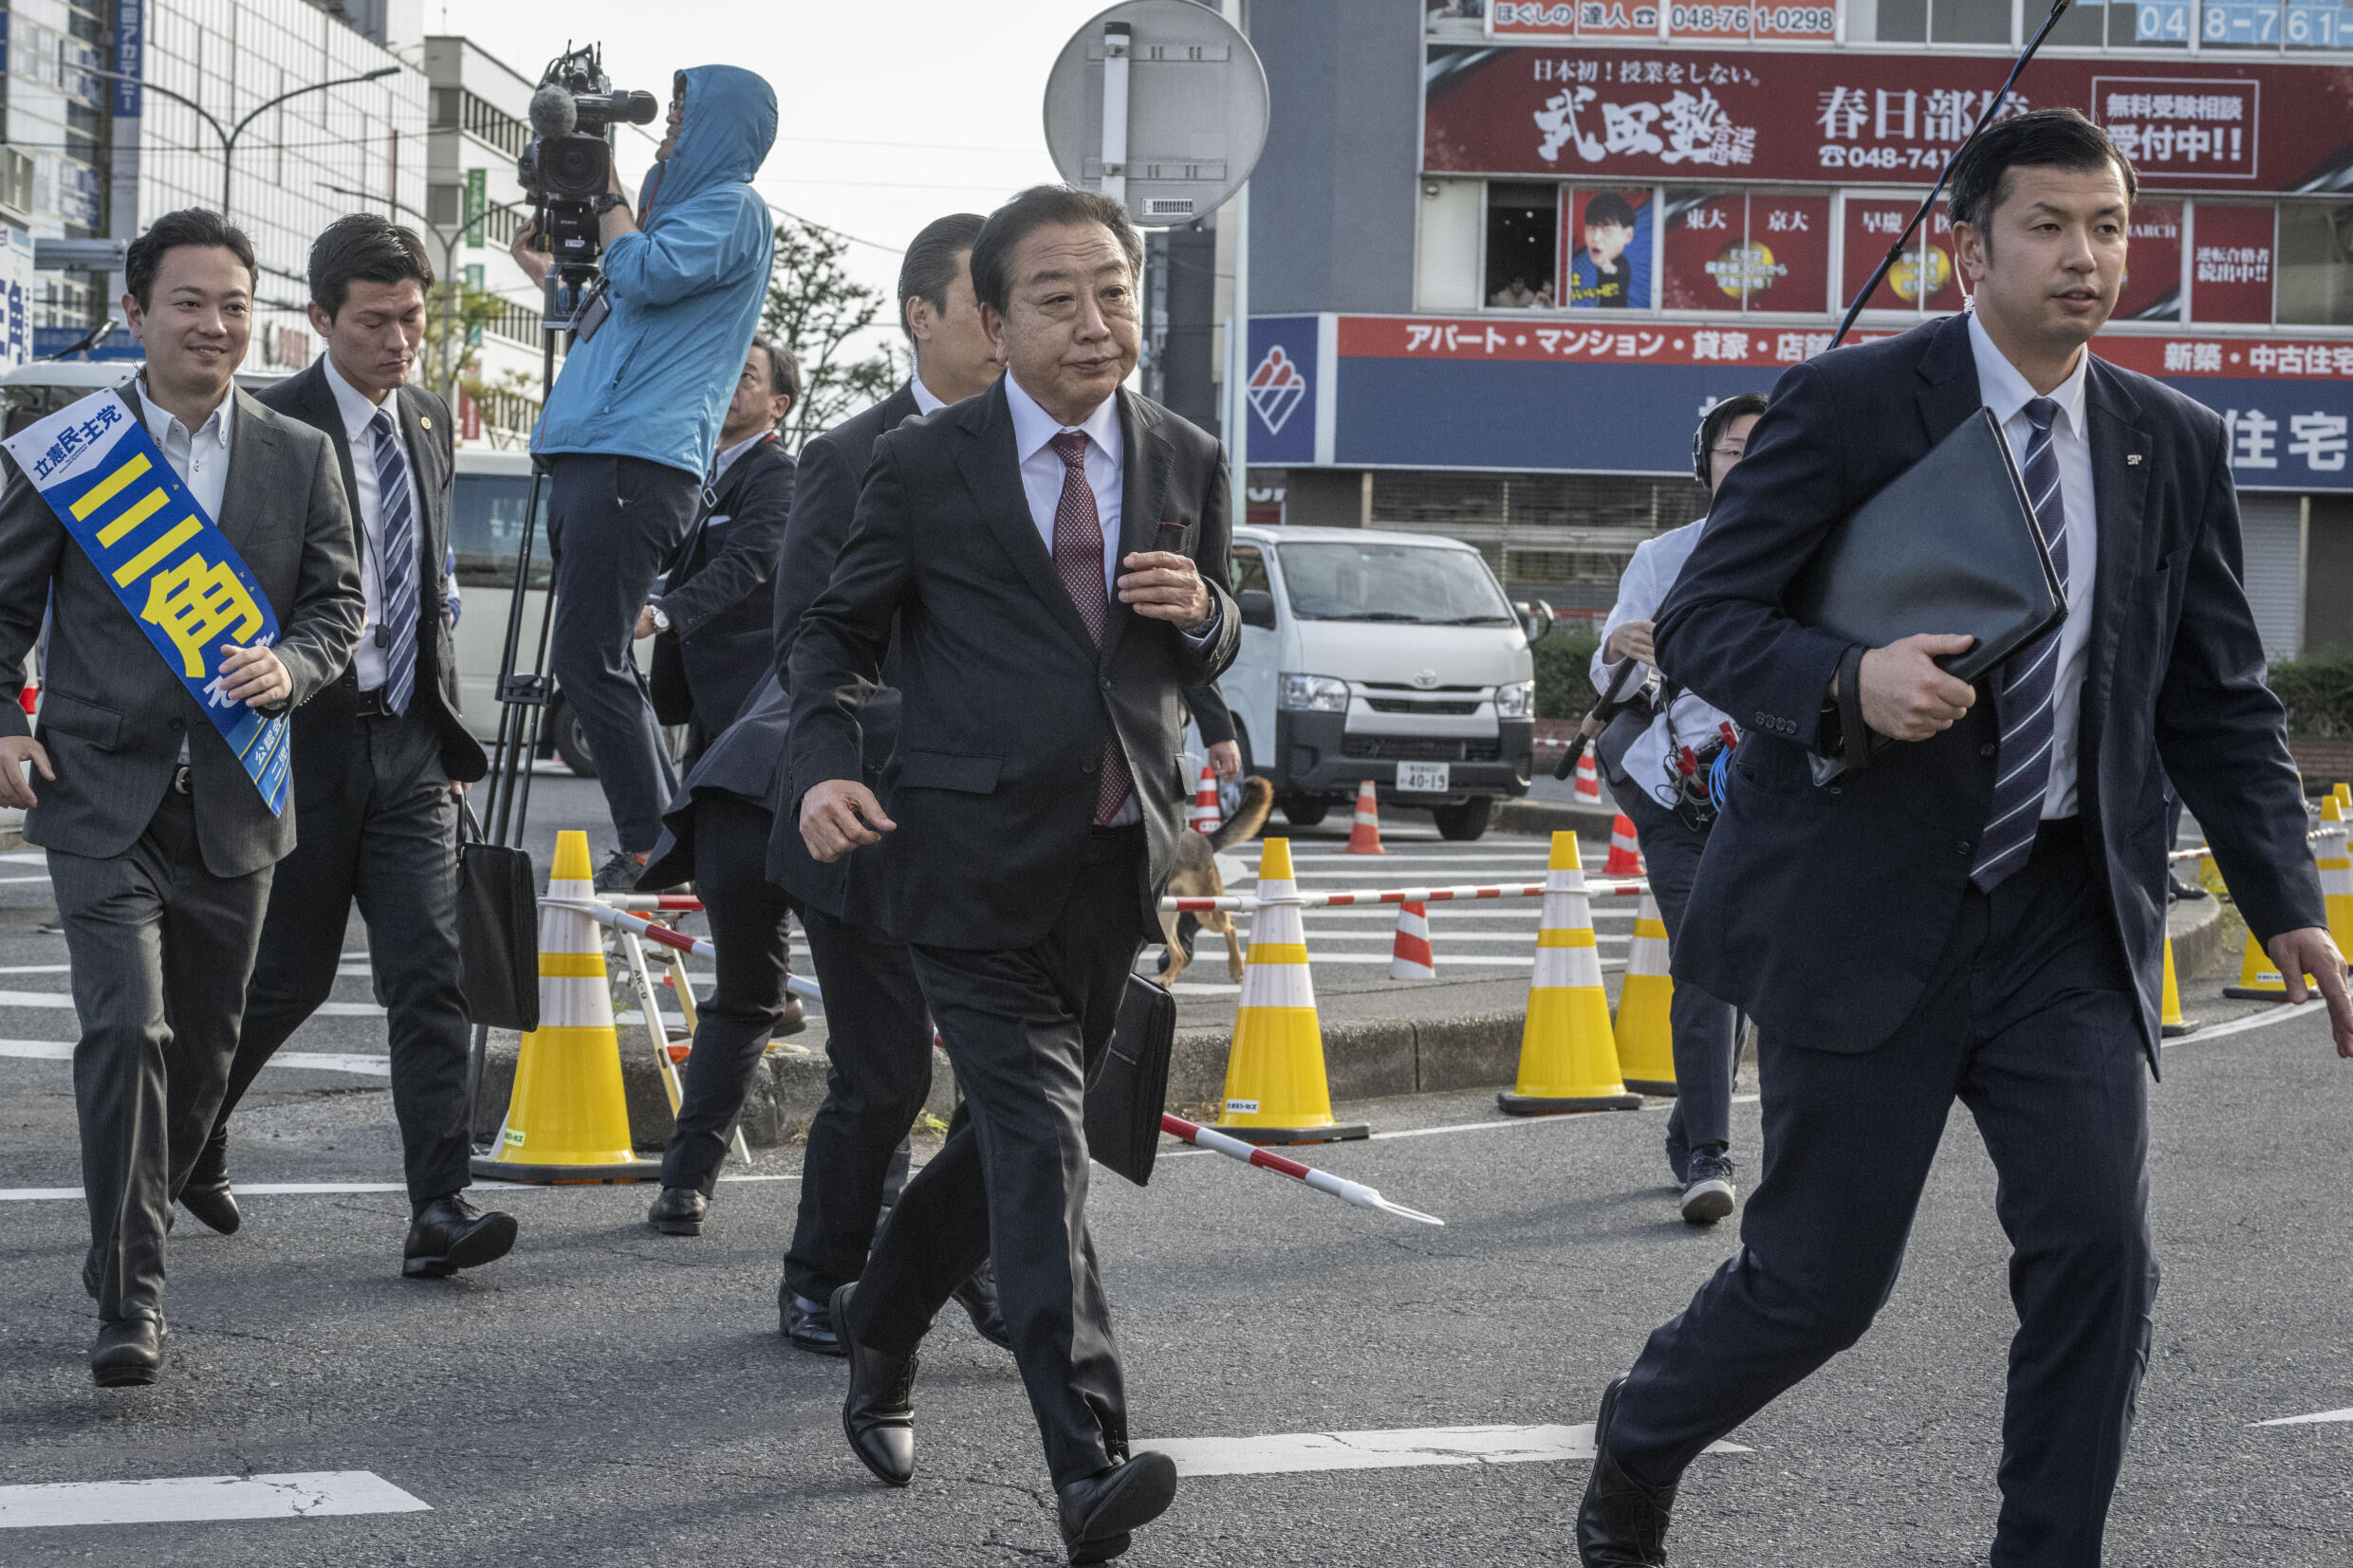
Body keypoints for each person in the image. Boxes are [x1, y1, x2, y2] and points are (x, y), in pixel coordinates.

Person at [1576, 109, 2353, 1567]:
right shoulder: (1854, 403)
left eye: (2110, 227)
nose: (2086, 256)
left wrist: (2286, 898)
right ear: (1969, 245)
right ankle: (1642, 1433)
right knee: (1819, 1284)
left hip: (2064, 915)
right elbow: (1704, 622)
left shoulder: (2168, 444)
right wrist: (1844, 682)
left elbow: (2220, 698)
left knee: (2099, 1261)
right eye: (2050, 226)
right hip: (1866, 906)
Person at [787, 185, 1237, 1564]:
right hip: (969, 867)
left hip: (1115, 863)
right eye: (1058, 298)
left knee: (1001, 1150)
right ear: (992, 320)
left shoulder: (1185, 456)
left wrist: (1208, 615)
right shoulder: (927, 469)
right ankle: (1086, 1461)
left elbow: (1200, 652)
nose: (1096, 322)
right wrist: (822, 764)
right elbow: (830, 633)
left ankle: (878, 1319)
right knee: (1045, 1150)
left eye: (1113, 291)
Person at [0, 210, 365, 1385]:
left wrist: (293, 667)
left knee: (202, 1055)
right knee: (125, 1029)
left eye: (233, 305)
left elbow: (336, 610)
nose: (215, 325)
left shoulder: (299, 455)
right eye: (190, 303)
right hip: (99, 793)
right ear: (136, 314)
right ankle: (129, 1299)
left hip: (238, 798)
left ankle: (137, 1233)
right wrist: (6, 721)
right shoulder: (69, 450)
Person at [187, 215, 514, 1279]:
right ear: (320, 319)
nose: (398, 341)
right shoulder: (269, 426)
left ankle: (440, 1208)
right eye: (373, 321)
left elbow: (428, 580)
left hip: (412, 743)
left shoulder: (424, 419)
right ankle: (191, 1135)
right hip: (302, 742)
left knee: (432, 975)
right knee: (282, 978)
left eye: (412, 319)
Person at [762, 212, 1010, 1354]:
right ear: (922, 316)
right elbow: (808, 643)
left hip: (1006, 827)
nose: (1010, 331)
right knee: (883, 1069)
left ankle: (956, 1258)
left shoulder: (1051, 450)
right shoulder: (847, 456)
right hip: (862, 813)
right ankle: (819, 1275)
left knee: (1009, 1072)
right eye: (985, 306)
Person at [511, 65, 776, 890]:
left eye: (683, 116)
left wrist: (611, 195)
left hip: (637, 457)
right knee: (595, 659)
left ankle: (655, 846)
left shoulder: (734, 208)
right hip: (605, 452)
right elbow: (608, 297)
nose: (668, 129)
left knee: (590, 659)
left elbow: (646, 274)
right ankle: (667, 843)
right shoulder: (679, 217)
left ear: (719, 129)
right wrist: (581, 224)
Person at [1588, 390, 1766, 1227]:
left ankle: (1694, 1118)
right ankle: (1710, 1152)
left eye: (1765, 448)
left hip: (1768, 788)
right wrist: (1620, 644)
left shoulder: (1806, 558)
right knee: (1704, 947)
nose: (1747, 462)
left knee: (1747, 959)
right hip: (1676, 787)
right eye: (1732, 448)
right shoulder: (1663, 558)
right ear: (1705, 463)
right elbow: (1610, 671)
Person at [642, 337, 801, 764]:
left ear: (779, 405)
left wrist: (663, 613)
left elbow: (748, 562)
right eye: (726, 369)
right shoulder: (702, 472)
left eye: (746, 376)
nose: (730, 383)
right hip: (703, 688)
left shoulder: (777, 474)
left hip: (746, 688)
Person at [1569, 192, 1642, 309]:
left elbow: (1619, 272)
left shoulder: (1621, 262)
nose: (1596, 238)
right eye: (1591, 228)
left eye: (1607, 230)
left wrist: (1610, 269)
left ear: (1628, 235)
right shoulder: (1581, 265)